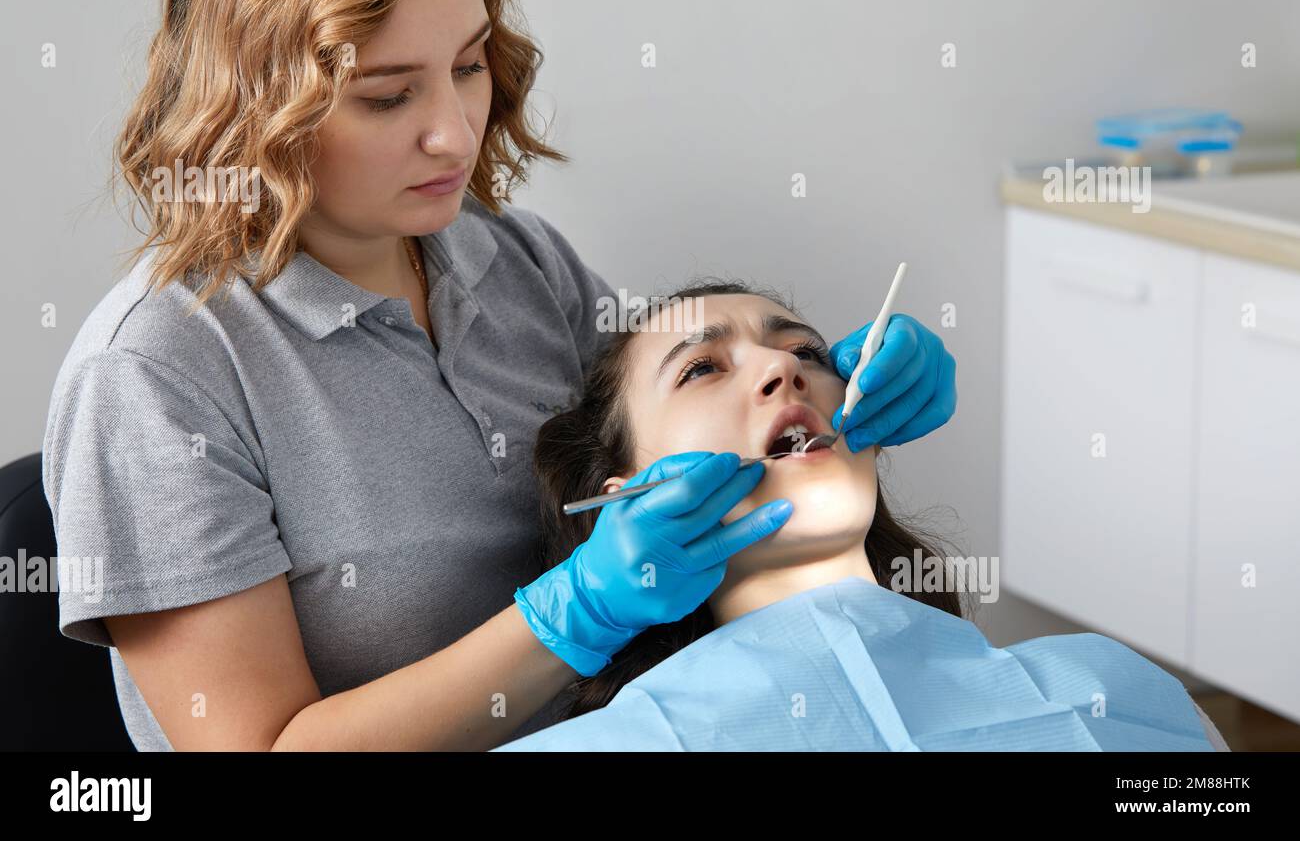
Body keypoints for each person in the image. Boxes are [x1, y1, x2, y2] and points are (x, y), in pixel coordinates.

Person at [41, 0, 958, 751]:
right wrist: (579, 611)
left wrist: (822, 374)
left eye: (470, 65)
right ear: (253, 114)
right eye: (389, 95)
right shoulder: (155, 377)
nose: (453, 130)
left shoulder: (513, 259)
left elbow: (664, 409)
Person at [497, 281, 1229, 751]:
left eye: (806, 351)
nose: (784, 370)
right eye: (702, 368)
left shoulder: (1118, 692)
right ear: (627, 495)